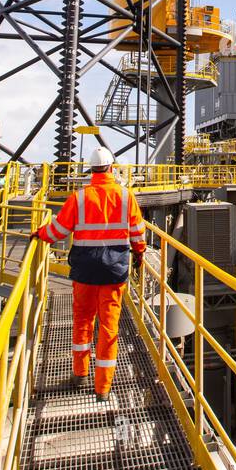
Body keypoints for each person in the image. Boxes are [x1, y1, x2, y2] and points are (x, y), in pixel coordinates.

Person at [34, 147, 146, 401]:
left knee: (83, 321)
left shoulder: (79, 198)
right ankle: (103, 388)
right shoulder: (126, 196)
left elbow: (57, 231)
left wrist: (39, 234)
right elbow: (138, 233)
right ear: (111, 168)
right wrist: (139, 253)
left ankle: (79, 373)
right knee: (109, 327)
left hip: (84, 271)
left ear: (91, 169)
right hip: (114, 270)